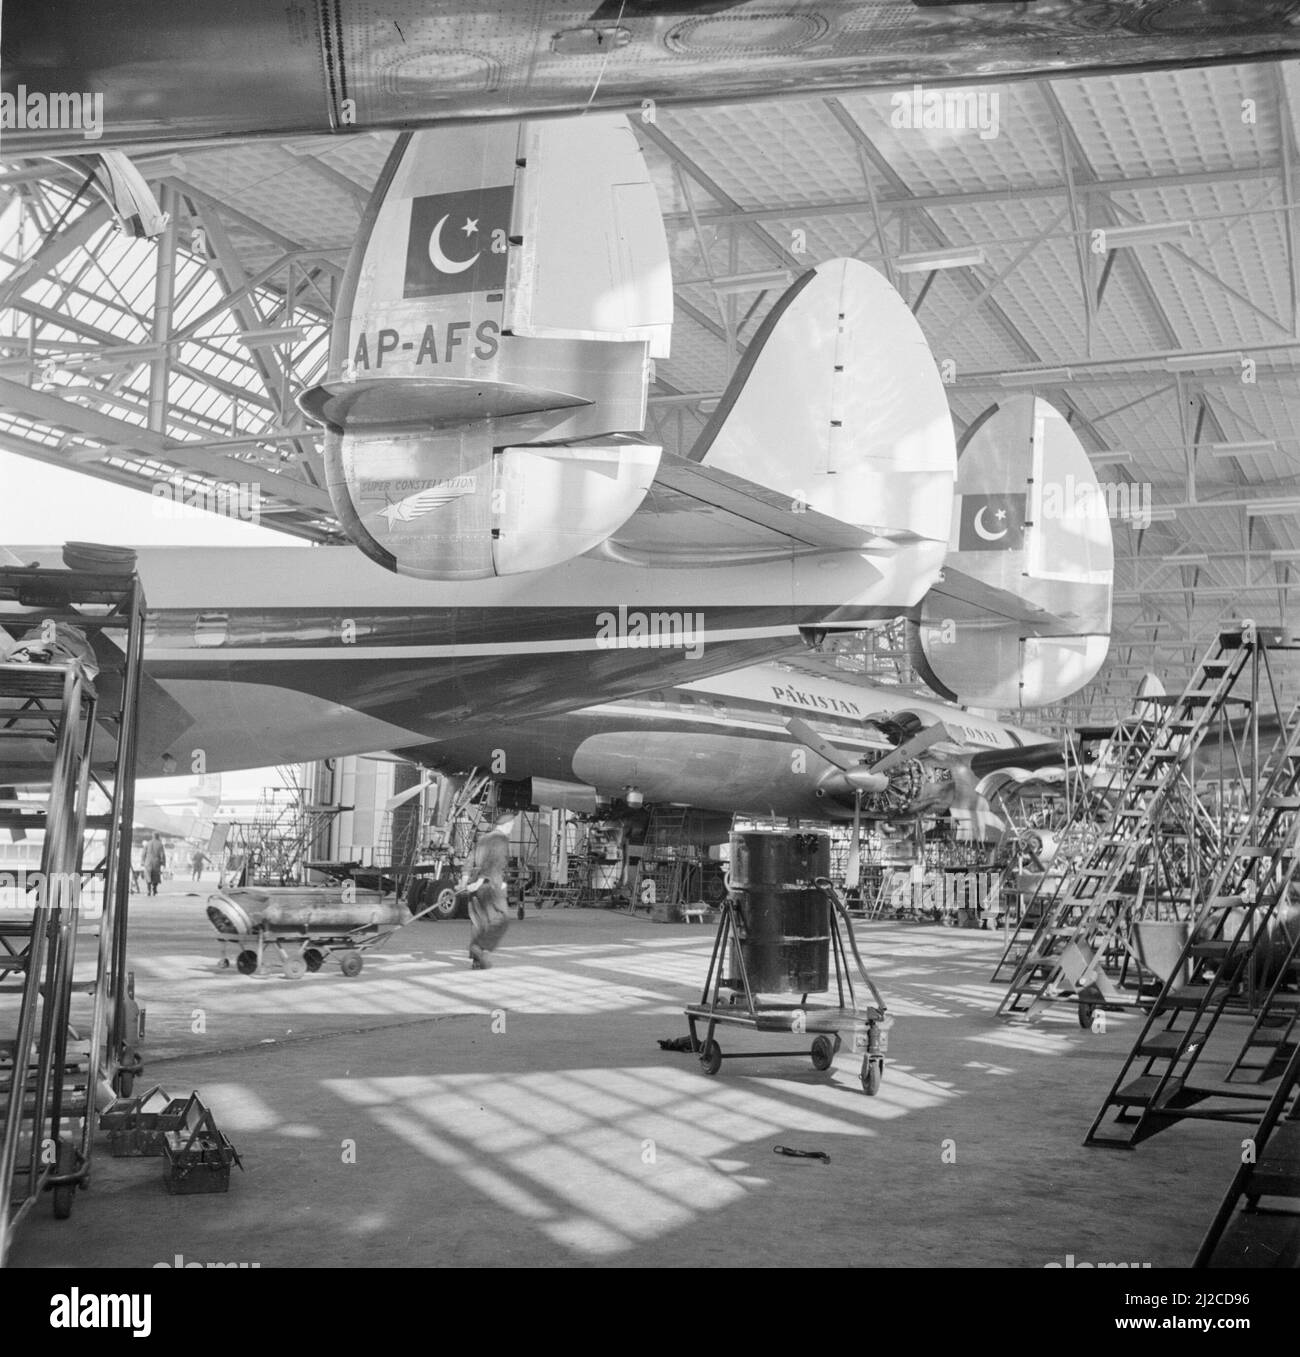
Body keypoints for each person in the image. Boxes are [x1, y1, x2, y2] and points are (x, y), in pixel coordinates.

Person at [459, 816, 515, 969]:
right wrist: (480, 881)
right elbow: (494, 862)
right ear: (506, 825)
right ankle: (479, 946)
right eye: (512, 825)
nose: (512, 828)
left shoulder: (483, 839)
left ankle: (477, 961)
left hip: (475, 884)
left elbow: (469, 860)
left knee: (479, 921)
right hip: (490, 884)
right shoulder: (502, 840)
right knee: (502, 919)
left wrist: (465, 880)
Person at [142, 833, 166, 897]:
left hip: (148, 862)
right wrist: (163, 863)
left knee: (148, 876)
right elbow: (162, 855)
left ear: (152, 836)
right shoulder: (160, 844)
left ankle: (148, 890)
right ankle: (154, 890)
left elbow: (143, 854)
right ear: (158, 836)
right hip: (156, 862)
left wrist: (142, 862)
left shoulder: (148, 843)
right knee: (155, 876)